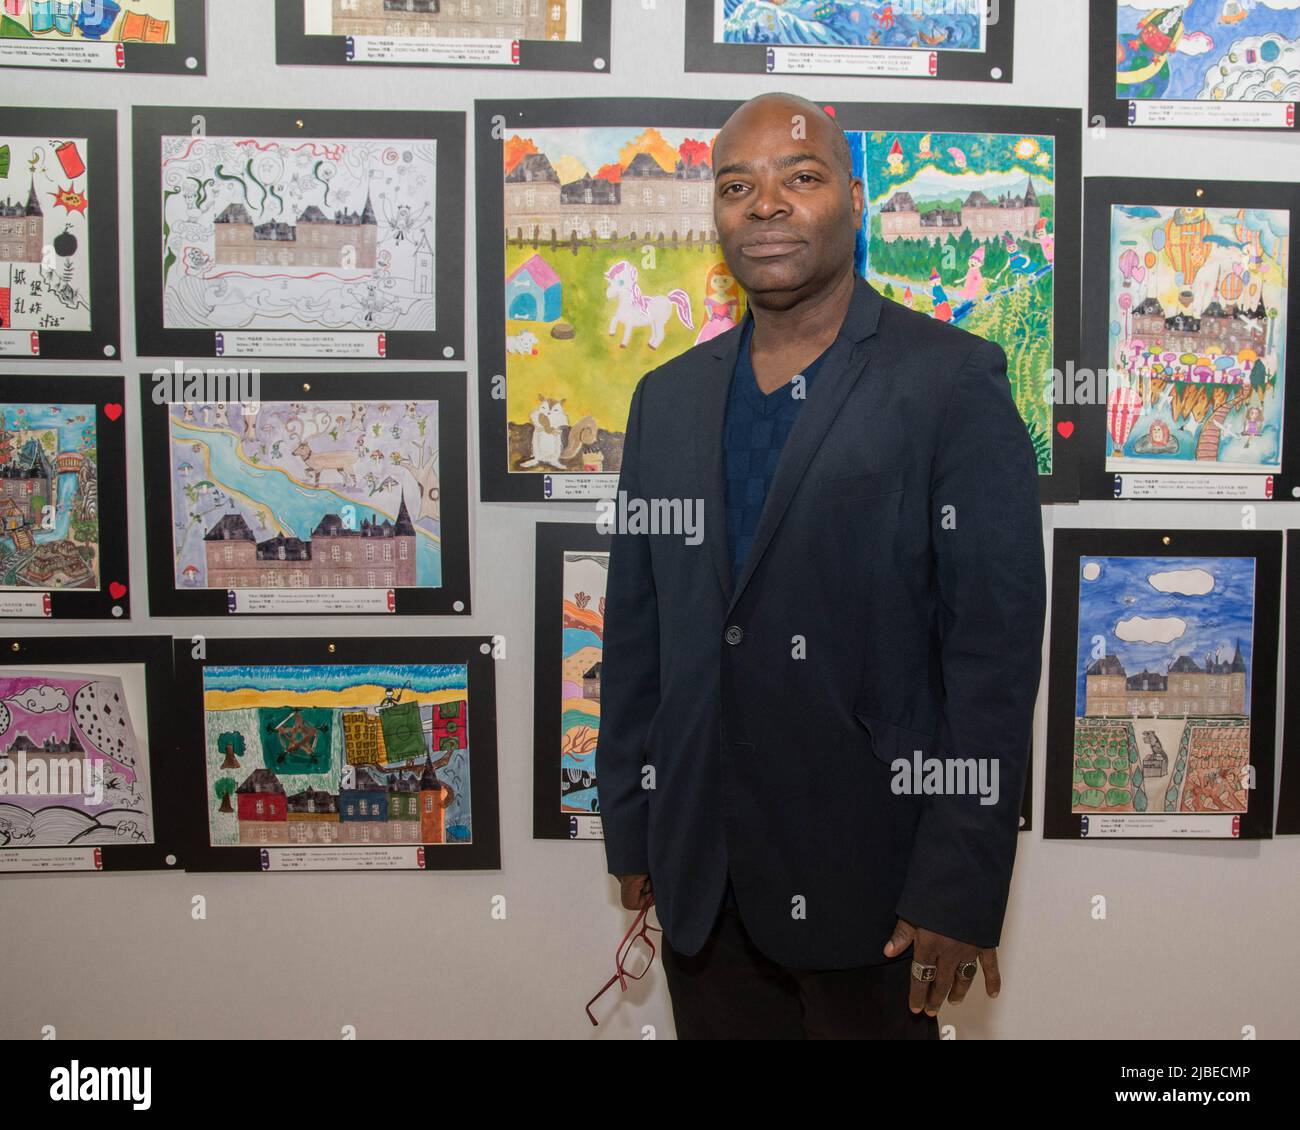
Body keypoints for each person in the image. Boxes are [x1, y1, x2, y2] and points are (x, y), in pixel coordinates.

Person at [595, 92, 1046, 1039]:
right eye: (736, 185)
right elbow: (639, 635)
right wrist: (634, 824)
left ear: (852, 196)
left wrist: (960, 884)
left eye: (799, 178)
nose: (765, 206)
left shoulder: (951, 382)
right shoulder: (664, 401)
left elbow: (992, 659)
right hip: (701, 884)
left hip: (878, 891)